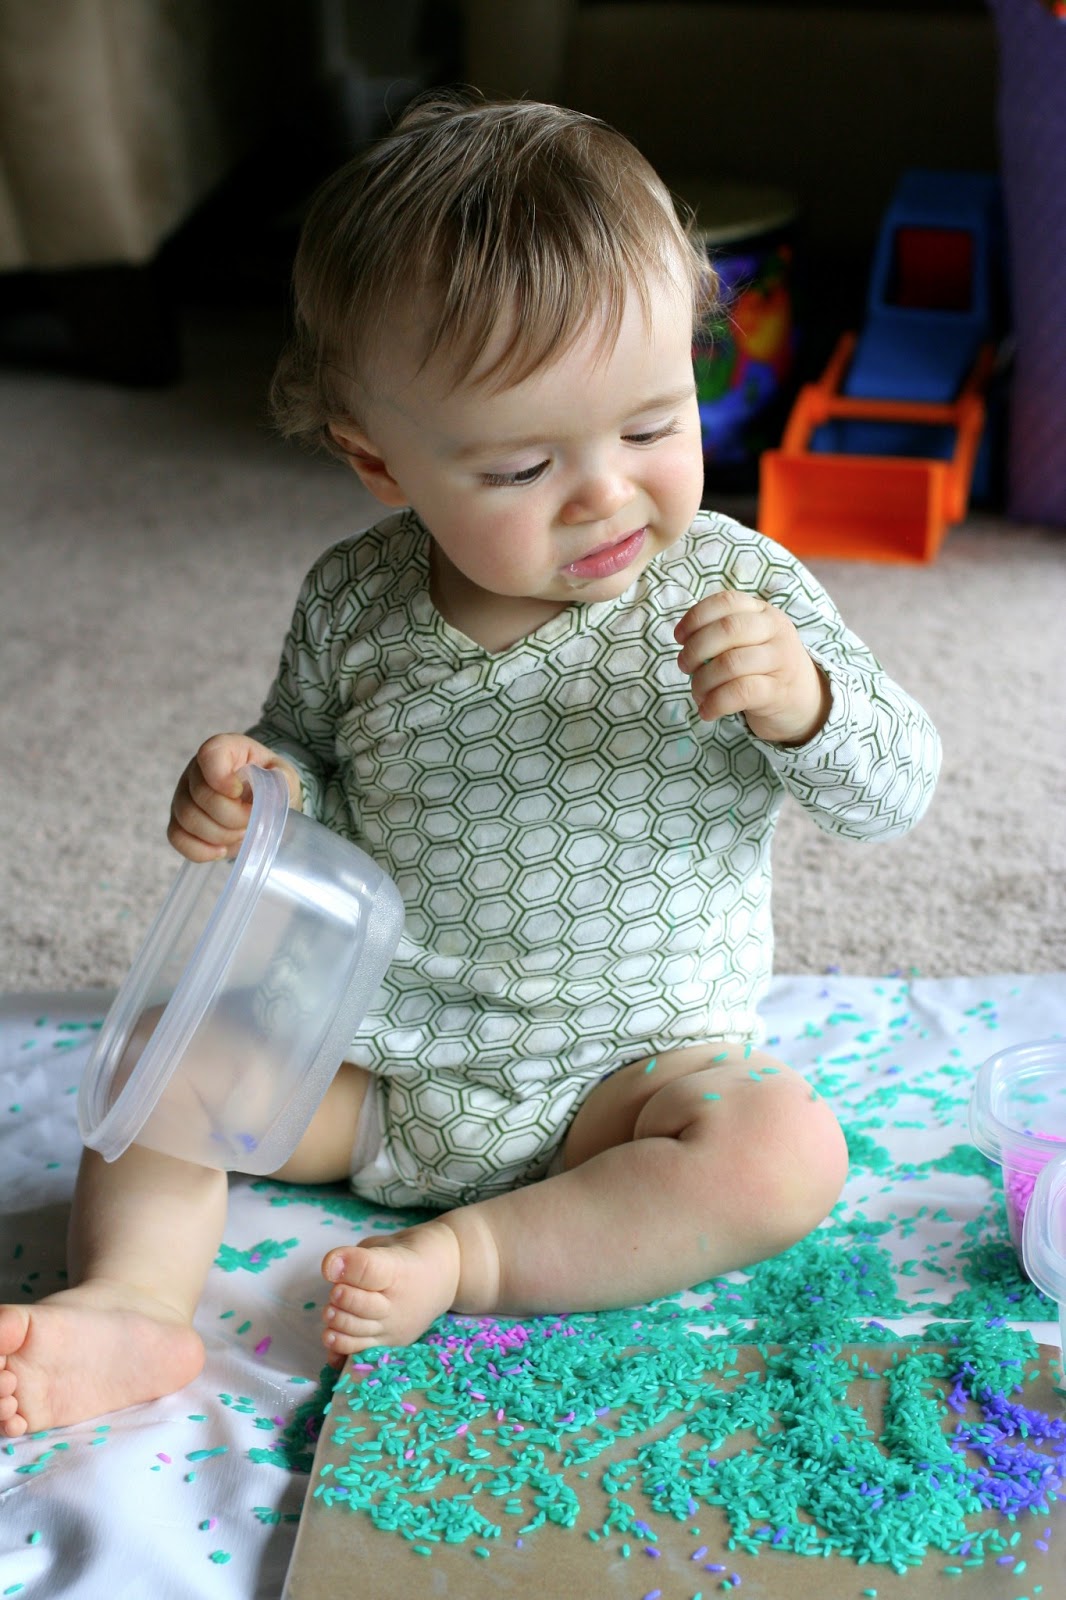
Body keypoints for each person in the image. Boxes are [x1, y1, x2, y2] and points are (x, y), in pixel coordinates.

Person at [0, 94, 940, 1439]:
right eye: (520, 464)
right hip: (377, 1057)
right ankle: (135, 1307)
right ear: (379, 461)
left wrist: (808, 707)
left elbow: (897, 790)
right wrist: (250, 784)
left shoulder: (740, 587)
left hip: (629, 1084)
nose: (607, 494)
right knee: (159, 1054)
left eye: (650, 425)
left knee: (782, 1151)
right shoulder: (356, 604)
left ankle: (480, 1257)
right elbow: (304, 763)